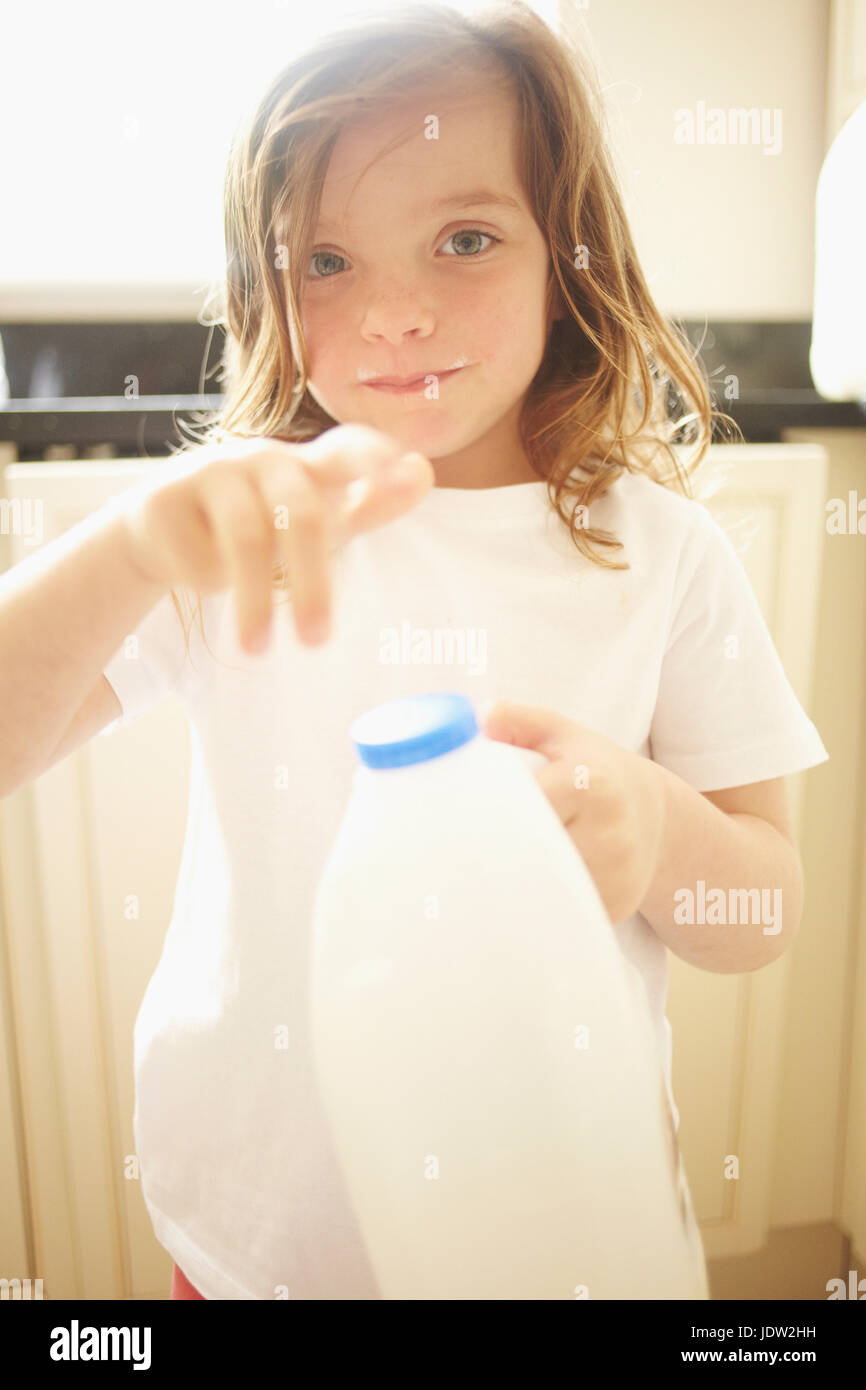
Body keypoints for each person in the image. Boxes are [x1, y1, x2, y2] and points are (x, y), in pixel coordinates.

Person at [0, 1, 828, 1300]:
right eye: (323, 261)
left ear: (570, 258)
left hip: (558, 1238)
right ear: (257, 284)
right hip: (255, 1246)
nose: (391, 310)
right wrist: (127, 549)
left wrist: (661, 830)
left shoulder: (662, 553)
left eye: (462, 238)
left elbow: (761, 907)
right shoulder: (242, 531)